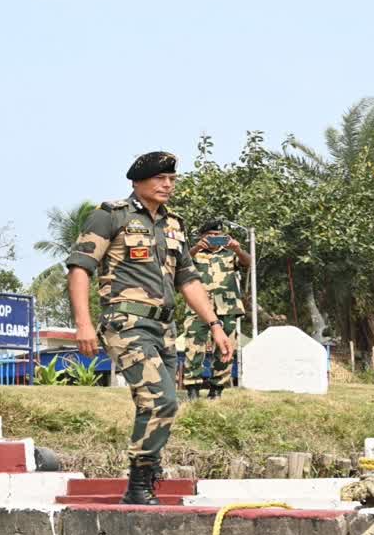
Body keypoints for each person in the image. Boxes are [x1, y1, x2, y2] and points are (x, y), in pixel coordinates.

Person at [66, 151, 234, 505]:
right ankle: (141, 482)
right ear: (137, 181)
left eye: (172, 179)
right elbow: (80, 267)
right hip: (126, 323)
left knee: (155, 405)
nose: (168, 185)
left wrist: (215, 325)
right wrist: (83, 324)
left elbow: (188, 279)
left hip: (164, 328)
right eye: (160, 179)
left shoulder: (174, 224)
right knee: (162, 400)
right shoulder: (110, 216)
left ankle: (142, 480)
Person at [182, 220, 250, 400]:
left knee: (226, 348)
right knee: (194, 346)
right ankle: (193, 388)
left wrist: (237, 249)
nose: (214, 239)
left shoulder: (230, 253)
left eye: (218, 236)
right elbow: (180, 265)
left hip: (227, 307)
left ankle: (217, 388)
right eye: (210, 236)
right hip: (198, 307)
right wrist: (196, 248)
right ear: (203, 236)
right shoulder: (194, 253)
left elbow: (248, 263)